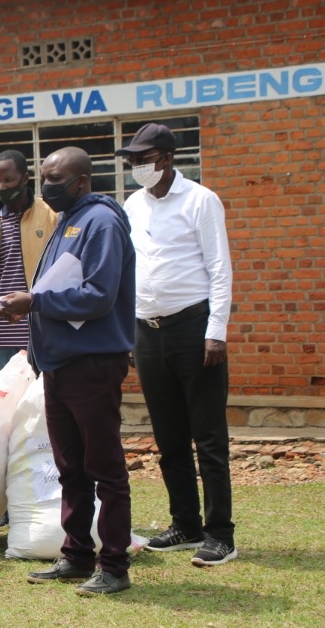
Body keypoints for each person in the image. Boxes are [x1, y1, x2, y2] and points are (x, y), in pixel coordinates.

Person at [0, 146, 136, 596]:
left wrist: (36, 301)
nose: (45, 187)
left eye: (55, 178)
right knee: (70, 468)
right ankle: (77, 554)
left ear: (81, 180)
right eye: (42, 177)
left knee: (105, 467)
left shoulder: (102, 222)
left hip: (92, 363)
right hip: (60, 365)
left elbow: (98, 295)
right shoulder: (67, 221)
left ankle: (113, 565)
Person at [117, 123, 237, 567]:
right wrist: (127, 332)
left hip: (194, 328)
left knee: (208, 437)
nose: (135, 167)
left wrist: (216, 331)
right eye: (132, 160)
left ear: (166, 158)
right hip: (147, 330)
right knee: (168, 437)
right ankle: (185, 524)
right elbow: (132, 269)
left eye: (141, 159)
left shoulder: (200, 200)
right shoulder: (133, 204)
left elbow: (219, 267)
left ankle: (220, 533)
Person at [0, 149, 58, 378]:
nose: (1, 186)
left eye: (8, 180)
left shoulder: (51, 216)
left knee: (42, 405)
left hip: (41, 333)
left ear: (25, 179)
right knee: (6, 406)